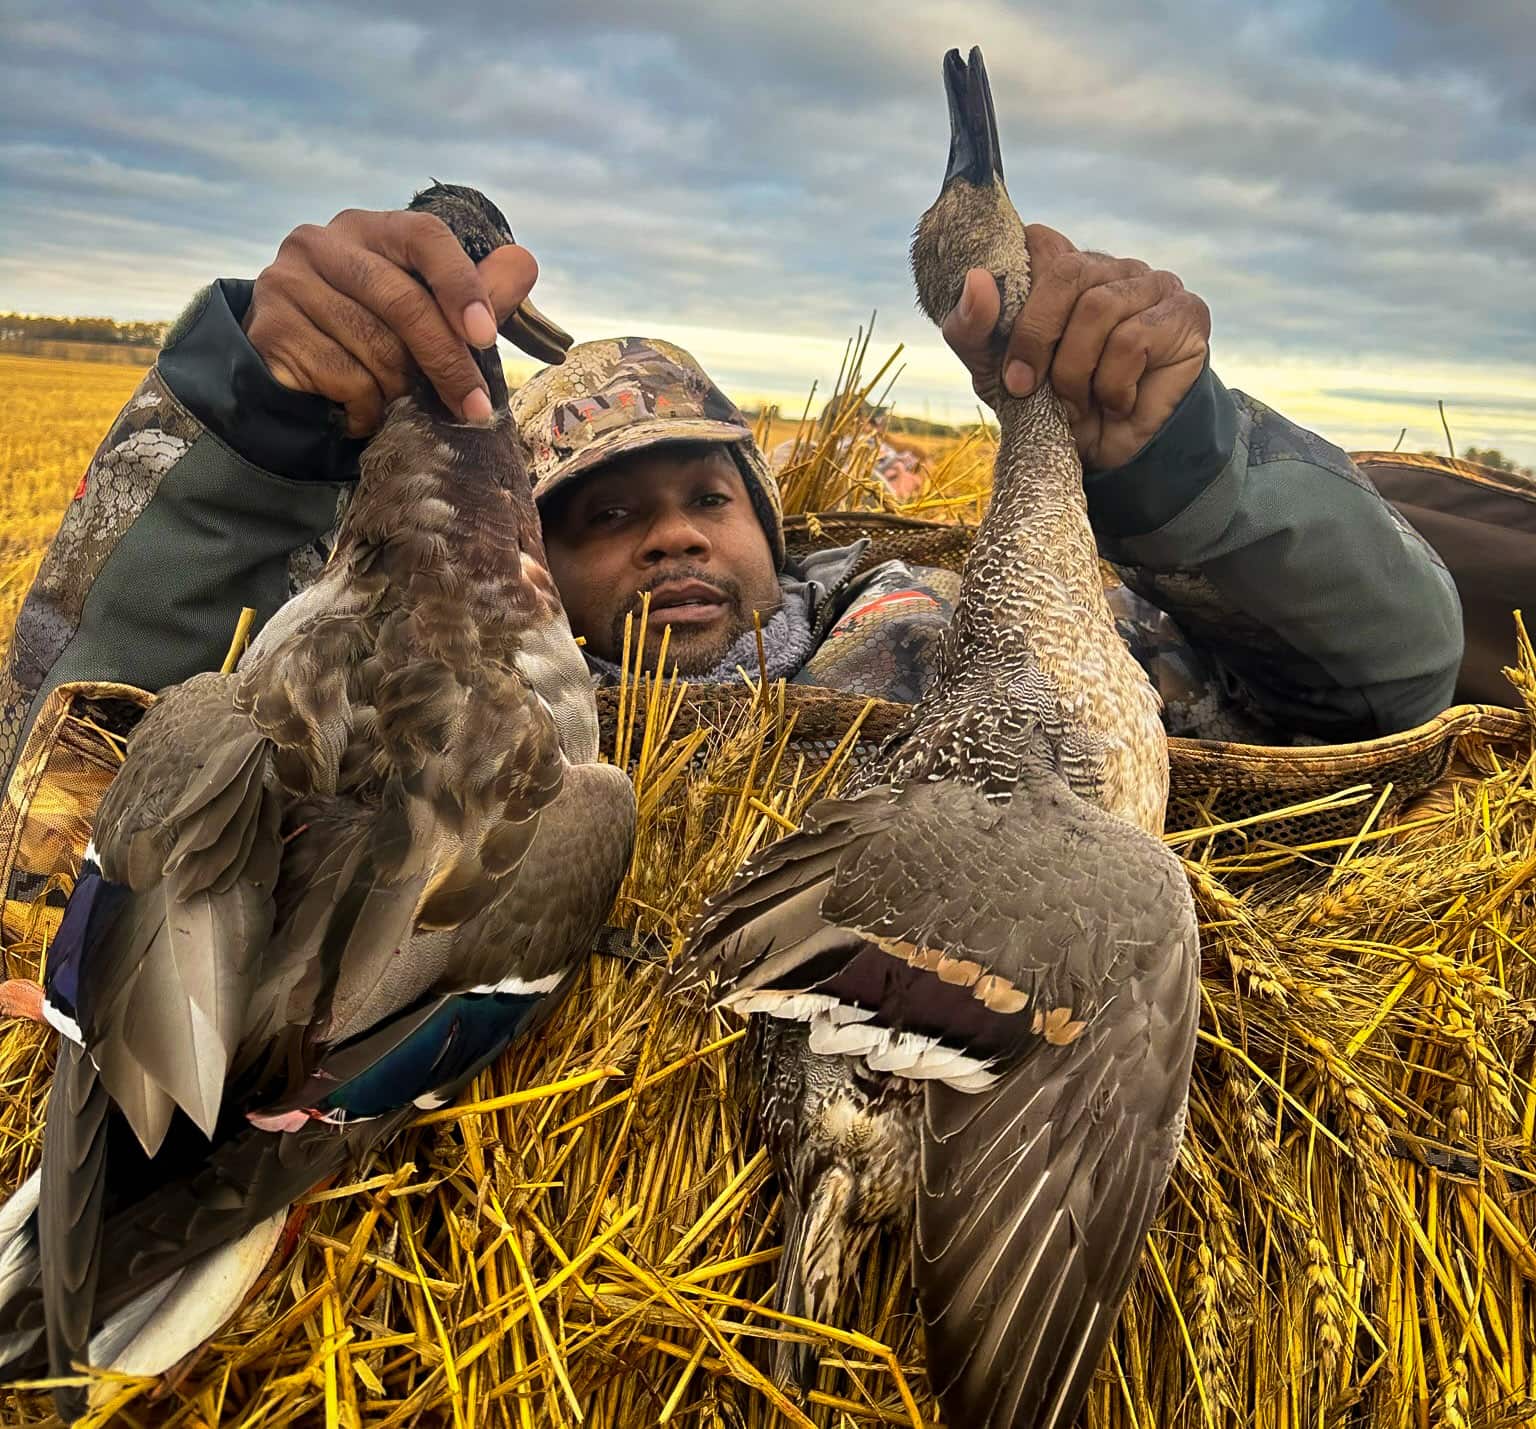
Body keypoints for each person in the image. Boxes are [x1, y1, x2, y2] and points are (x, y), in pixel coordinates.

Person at [0, 204, 1464, 869]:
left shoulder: (944, 632)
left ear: (773, 526)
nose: (671, 541)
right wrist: (257, 434)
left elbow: (1379, 692)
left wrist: (1187, 467)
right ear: (532, 572)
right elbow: (64, 774)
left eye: (707, 498)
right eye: (605, 517)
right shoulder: (456, 732)